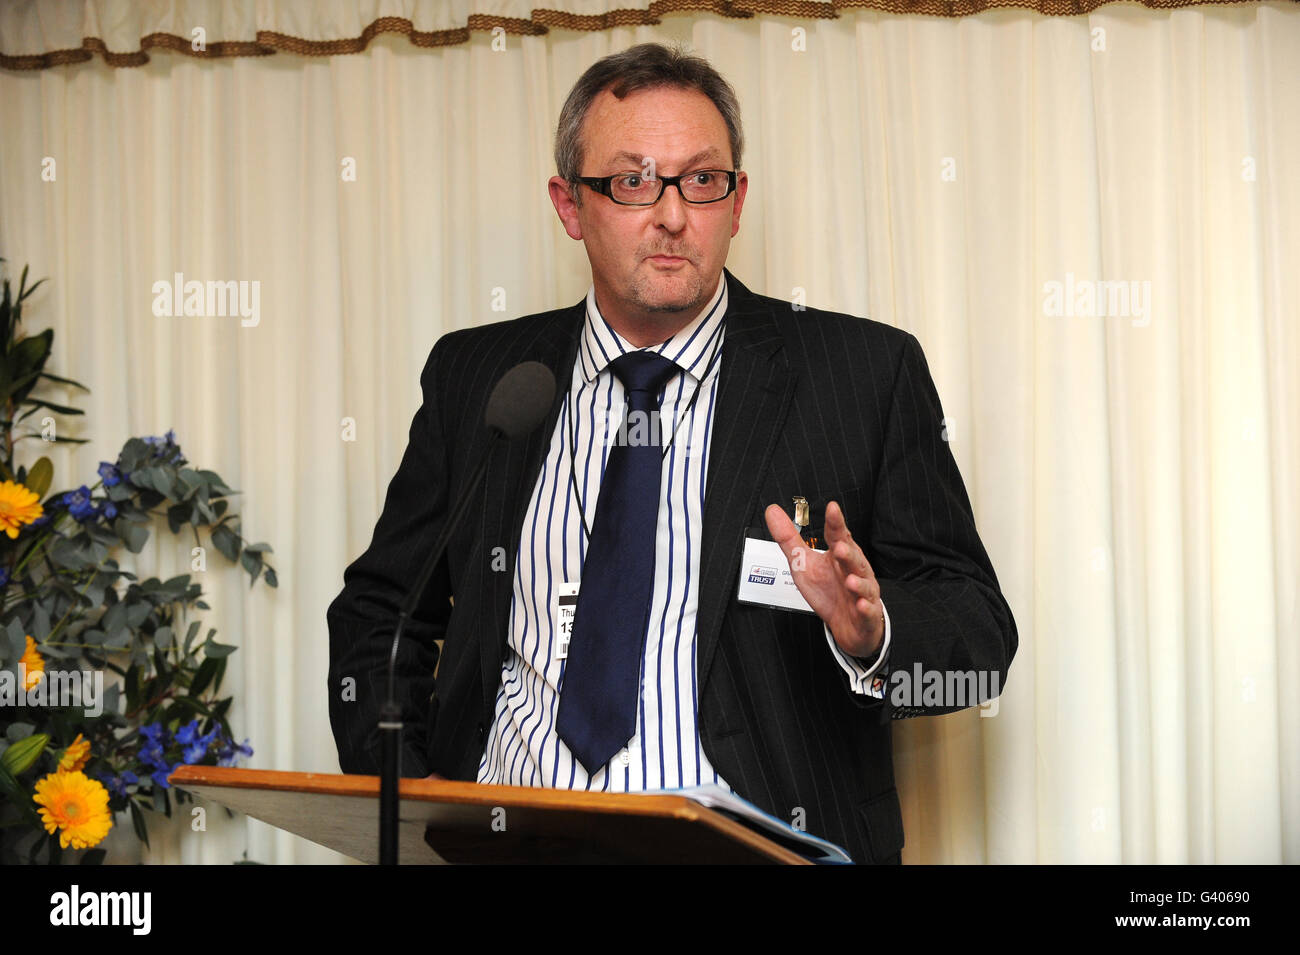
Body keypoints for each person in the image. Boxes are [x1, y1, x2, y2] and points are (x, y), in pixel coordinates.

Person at [327, 42, 1017, 865]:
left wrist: (873, 636)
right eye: (631, 181)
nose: (671, 213)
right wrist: (414, 812)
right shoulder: (482, 377)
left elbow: (978, 642)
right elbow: (381, 615)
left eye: (701, 180)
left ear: (736, 200)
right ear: (569, 204)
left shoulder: (863, 375)